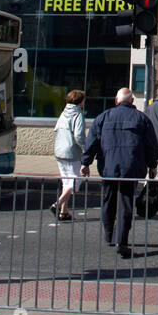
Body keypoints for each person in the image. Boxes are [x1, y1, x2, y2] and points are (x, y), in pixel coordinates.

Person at [80, 88, 158, 257]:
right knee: (125, 204)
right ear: (132, 102)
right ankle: (122, 241)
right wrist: (152, 166)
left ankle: (109, 236)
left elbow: (91, 141)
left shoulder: (104, 117)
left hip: (109, 167)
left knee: (108, 200)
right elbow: (151, 144)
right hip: (131, 168)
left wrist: (85, 163)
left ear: (116, 101)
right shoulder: (142, 119)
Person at [51, 89, 86, 221]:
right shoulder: (78, 114)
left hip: (59, 151)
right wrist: (85, 149)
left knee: (66, 182)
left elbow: (56, 130)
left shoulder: (63, 113)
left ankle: (63, 212)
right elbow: (78, 136)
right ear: (80, 101)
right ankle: (57, 205)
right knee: (74, 181)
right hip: (72, 152)